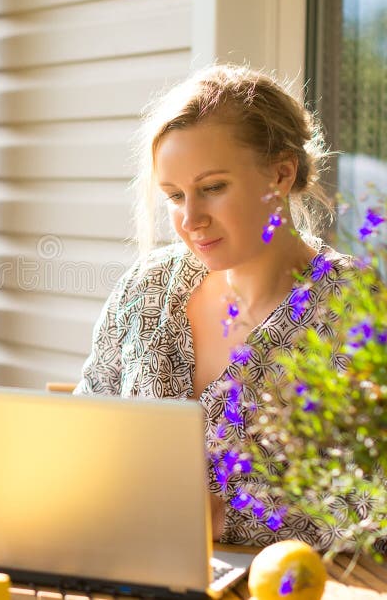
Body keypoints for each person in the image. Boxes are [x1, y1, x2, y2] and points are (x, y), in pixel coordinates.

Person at [73, 64, 352, 548]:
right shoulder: (147, 287)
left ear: (281, 173)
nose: (191, 219)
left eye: (213, 188)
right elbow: (83, 432)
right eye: (174, 196)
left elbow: (371, 504)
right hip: (129, 566)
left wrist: (219, 518)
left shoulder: (353, 311)